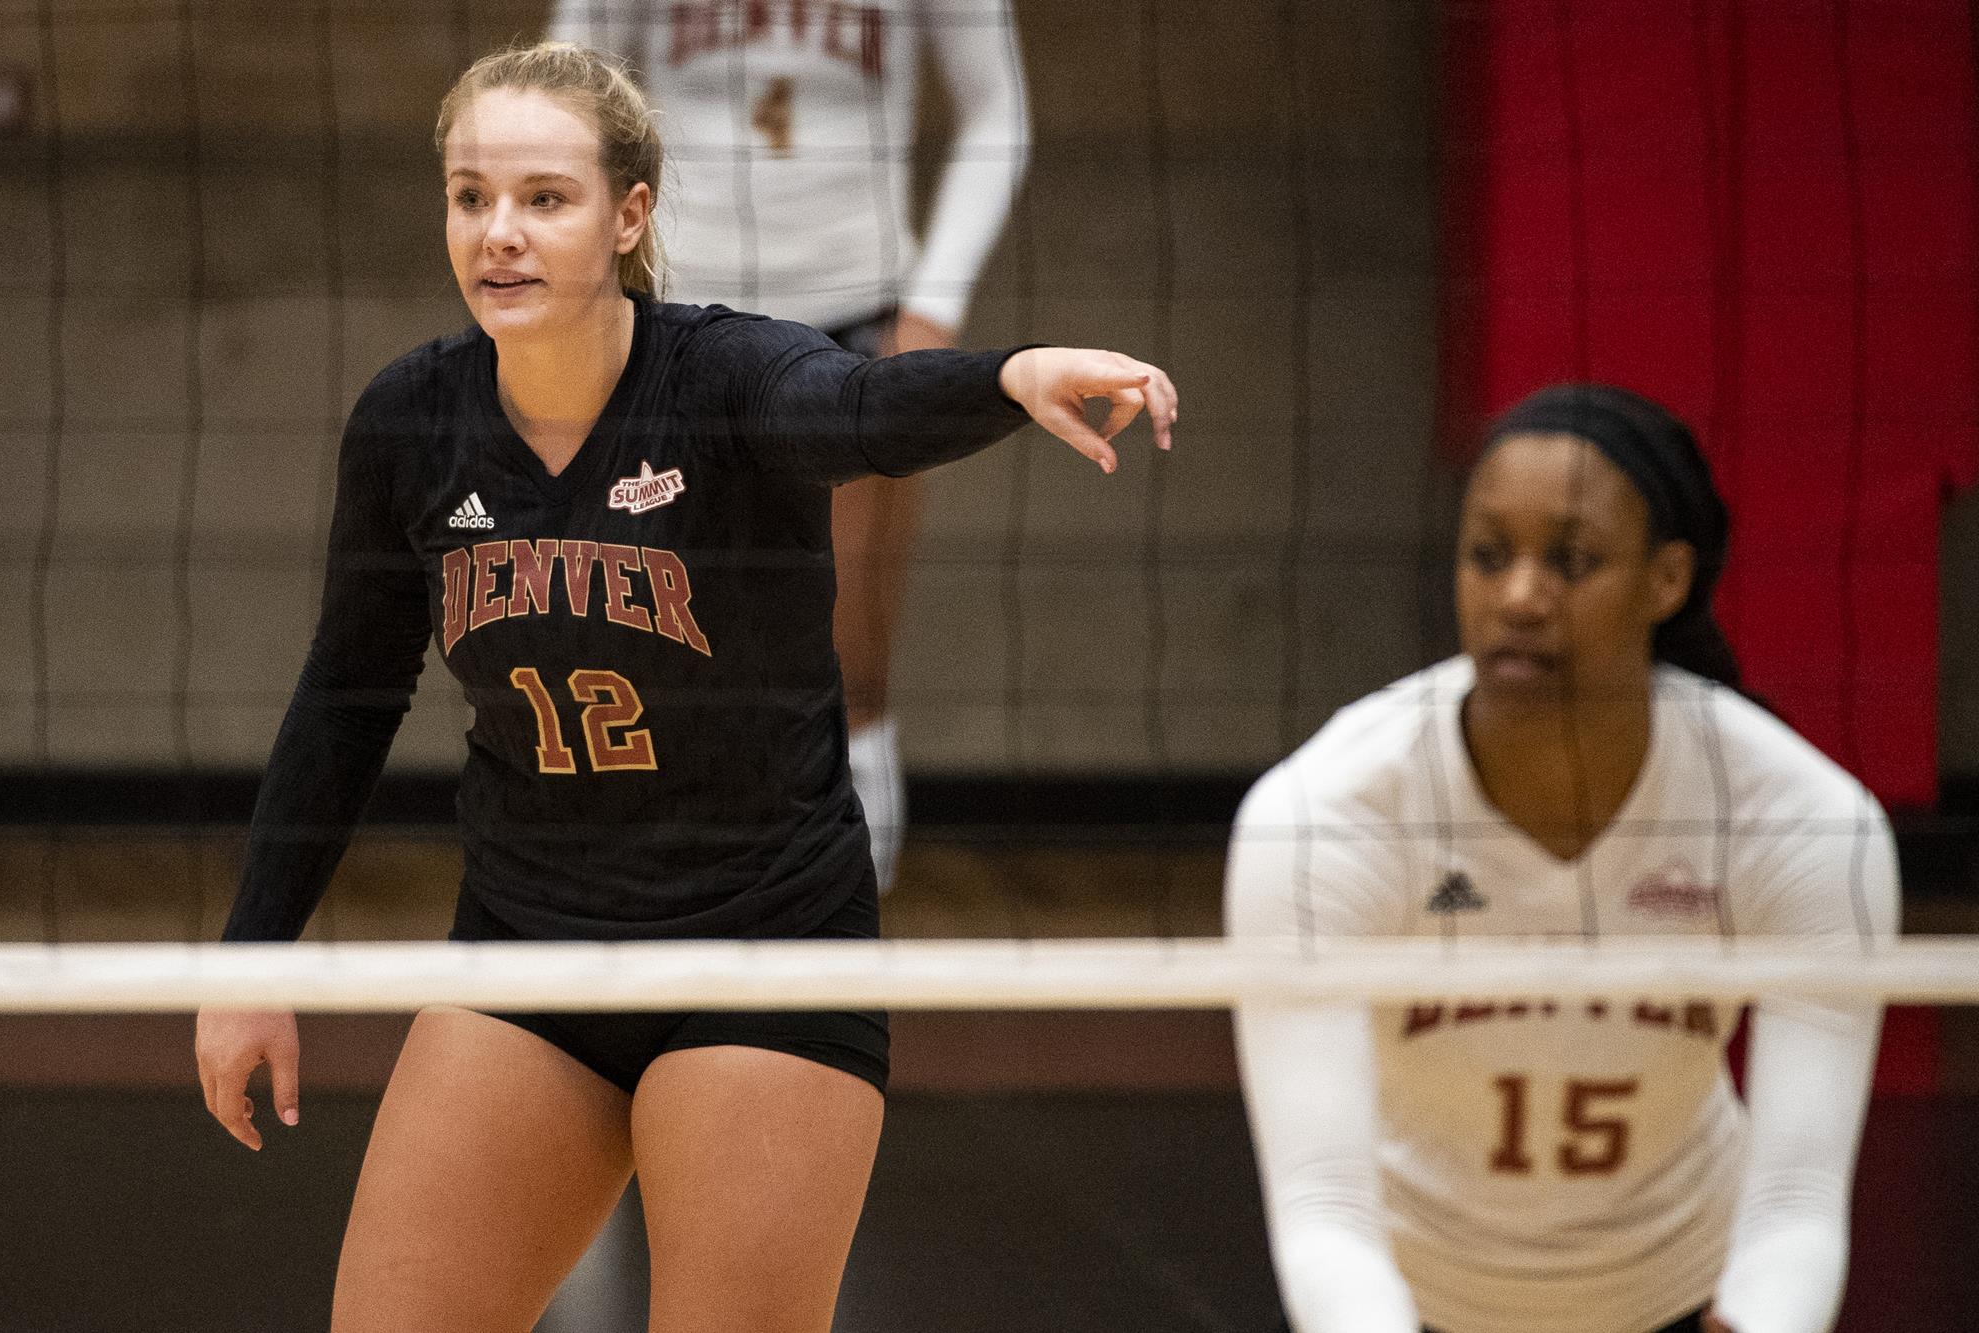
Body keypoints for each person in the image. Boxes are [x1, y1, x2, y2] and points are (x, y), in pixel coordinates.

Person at [191, 41, 1171, 1333]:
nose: (499, 231)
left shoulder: (728, 375)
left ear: (630, 213)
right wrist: (255, 957)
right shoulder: (413, 420)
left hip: (758, 956)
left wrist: (1005, 374)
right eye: (469, 194)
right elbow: (346, 696)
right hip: (530, 951)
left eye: (545, 197)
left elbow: (860, 410)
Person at [1226, 384, 1895, 1333]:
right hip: (1408, 1294)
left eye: (1571, 560)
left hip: (1682, 1286)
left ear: (1667, 580)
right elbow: (1324, 1208)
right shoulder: (1323, 815)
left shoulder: (1804, 821)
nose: (1520, 596)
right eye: (1489, 555)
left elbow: (1795, 1204)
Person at [547, 0, 1032, 894]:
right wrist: (586, 278)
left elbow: (998, 113)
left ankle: (845, 933)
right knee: (649, 637)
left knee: (846, 667)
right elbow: (562, 93)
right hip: (677, 323)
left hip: (857, 324)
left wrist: (935, 305)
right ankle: (657, 916)